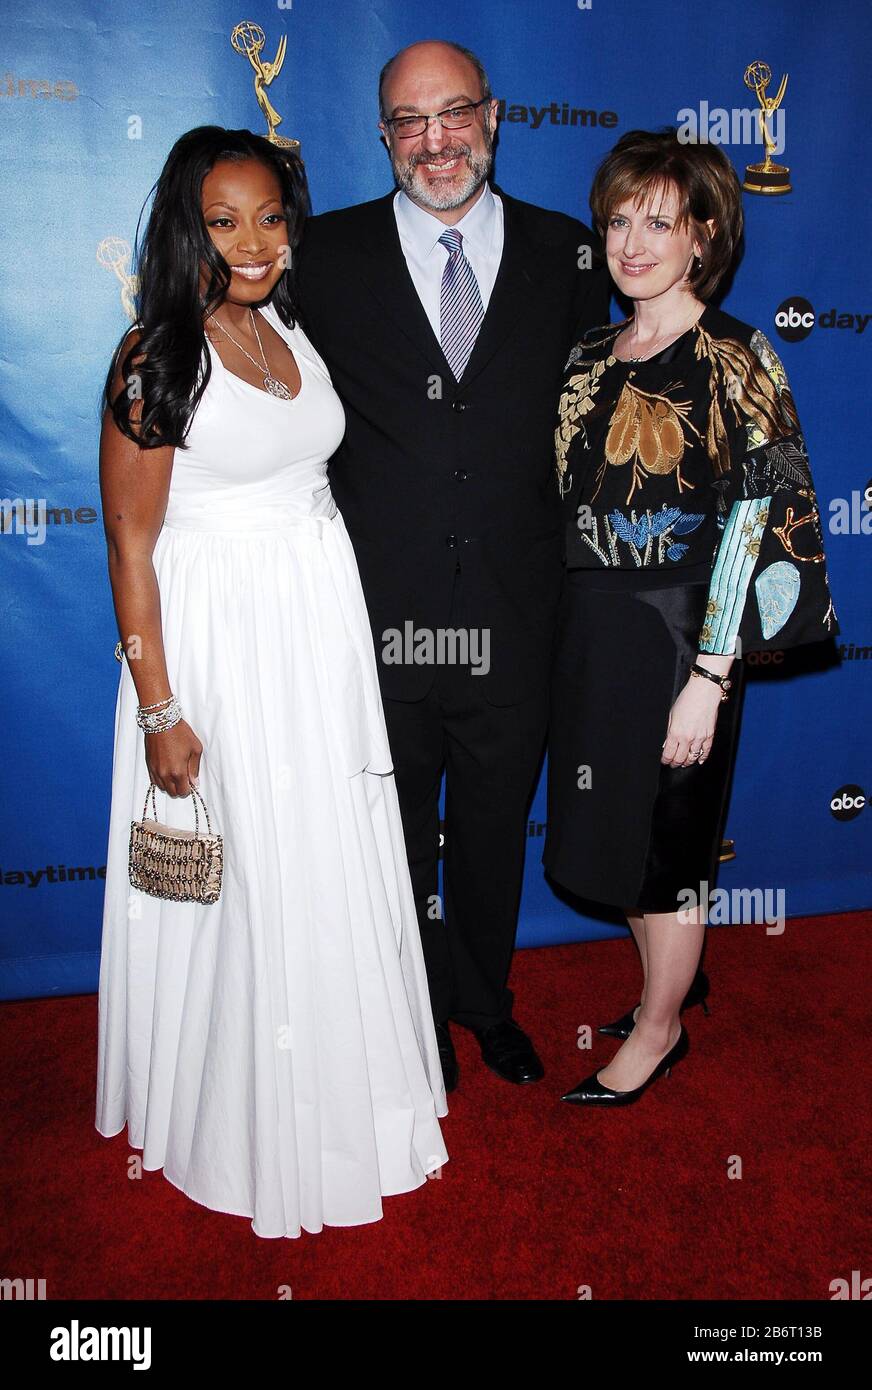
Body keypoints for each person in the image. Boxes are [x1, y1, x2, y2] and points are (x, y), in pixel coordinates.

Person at [94, 126, 448, 1238]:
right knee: (245, 880)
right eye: (225, 220)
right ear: (185, 230)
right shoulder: (153, 353)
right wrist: (162, 708)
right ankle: (241, 1123)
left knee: (324, 858)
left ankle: (354, 1098)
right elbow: (127, 541)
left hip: (313, 641)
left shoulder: (285, 327)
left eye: (271, 217)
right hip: (221, 648)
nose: (254, 242)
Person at [295, 40, 610, 1091]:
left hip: (517, 620)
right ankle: (406, 1014)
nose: (434, 141)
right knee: (388, 836)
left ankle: (481, 1003)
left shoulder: (568, 256)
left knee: (485, 831)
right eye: (408, 121)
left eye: (453, 113)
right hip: (376, 616)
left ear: (494, 115)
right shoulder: (320, 255)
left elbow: (581, 436)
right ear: (382, 135)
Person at [545, 129, 837, 1106]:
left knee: (663, 849)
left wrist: (708, 678)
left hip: (681, 632)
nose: (632, 241)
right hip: (590, 628)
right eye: (619, 218)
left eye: (659, 221)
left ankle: (660, 1027)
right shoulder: (589, 348)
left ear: (702, 235)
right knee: (608, 836)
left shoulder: (733, 354)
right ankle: (672, 982)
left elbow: (755, 520)